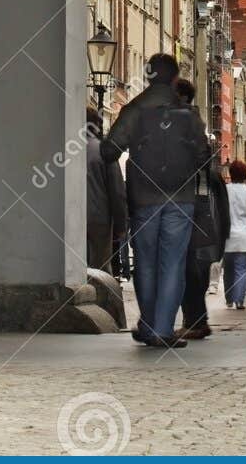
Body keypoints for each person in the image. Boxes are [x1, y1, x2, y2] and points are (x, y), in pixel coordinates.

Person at [102, 52, 209, 350]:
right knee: (173, 263)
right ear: (175, 79)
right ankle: (163, 328)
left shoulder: (134, 109)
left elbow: (109, 151)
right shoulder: (188, 114)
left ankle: (148, 324)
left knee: (146, 262)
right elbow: (204, 156)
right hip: (181, 197)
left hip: (144, 197)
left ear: (148, 75)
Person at [174, 78, 229, 341]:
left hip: (189, 204)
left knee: (188, 267)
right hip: (197, 203)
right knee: (193, 266)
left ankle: (195, 321)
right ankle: (196, 319)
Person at [85, 105, 127, 273]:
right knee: (100, 268)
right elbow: (117, 192)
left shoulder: (64, 151)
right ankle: (101, 297)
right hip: (98, 219)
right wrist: (121, 226)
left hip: (69, 217)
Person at [224, 159, 246, 310]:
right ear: (245, 175)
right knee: (242, 269)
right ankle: (240, 300)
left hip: (227, 236)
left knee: (228, 269)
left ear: (231, 174)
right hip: (245, 236)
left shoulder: (225, 190)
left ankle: (229, 298)